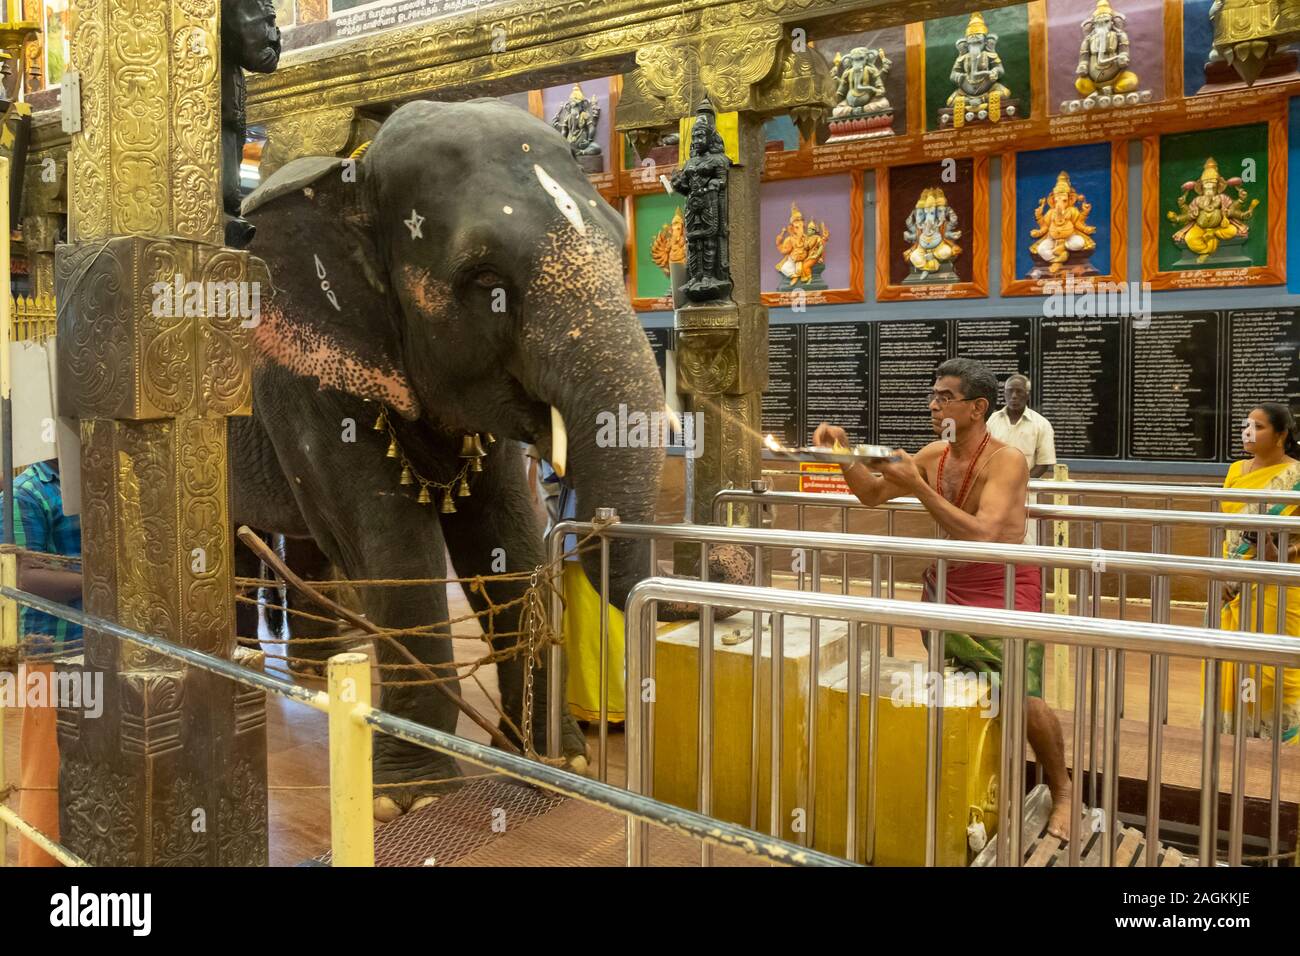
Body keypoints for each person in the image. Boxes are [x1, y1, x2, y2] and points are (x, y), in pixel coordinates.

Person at [814, 357, 1074, 840]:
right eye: (932, 397)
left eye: (945, 398)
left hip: (1002, 587)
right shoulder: (935, 453)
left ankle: (1063, 791)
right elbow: (872, 495)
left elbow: (985, 536)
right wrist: (845, 456)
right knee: (962, 686)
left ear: (977, 408)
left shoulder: (1007, 460)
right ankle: (979, 783)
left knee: (1022, 694)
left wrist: (915, 486)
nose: (934, 407)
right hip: (949, 586)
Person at [4, 458, 83, 866]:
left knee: (88, 772)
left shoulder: (95, 479)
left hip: (98, 650)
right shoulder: (27, 493)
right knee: (47, 774)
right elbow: (23, 576)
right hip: (52, 653)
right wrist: (105, 578)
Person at [1211, 403, 1300, 744]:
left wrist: (1282, 554)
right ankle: (1234, 739)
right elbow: (1225, 526)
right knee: (1231, 662)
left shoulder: (1296, 477)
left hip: (1279, 584)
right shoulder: (1236, 470)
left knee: (1272, 668)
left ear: (1281, 435)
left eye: (1259, 426)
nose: (1248, 431)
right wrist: (1219, 571)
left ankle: (1281, 745)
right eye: (1247, 424)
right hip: (1230, 582)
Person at [987, 374, 1057, 544]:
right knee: (993, 538)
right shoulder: (991, 421)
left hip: (1025, 493)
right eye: (1010, 391)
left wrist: (1018, 483)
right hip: (992, 492)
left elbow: (1043, 463)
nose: (1014, 396)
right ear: (1003, 394)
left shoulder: (1041, 424)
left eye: (1019, 392)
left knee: (1026, 540)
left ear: (1027, 395)